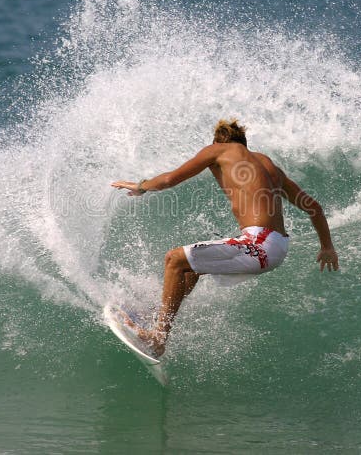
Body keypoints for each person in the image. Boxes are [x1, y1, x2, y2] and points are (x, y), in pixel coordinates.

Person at [112, 119, 339, 357]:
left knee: (174, 259)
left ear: (218, 141)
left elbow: (169, 179)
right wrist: (327, 247)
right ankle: (156, 316)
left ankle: (158, 338)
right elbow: (313, 207)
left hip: (259, 243)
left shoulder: (219, 149)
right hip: (276, 246)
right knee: (191, 268)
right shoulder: (268, 166)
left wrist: (141, 186)